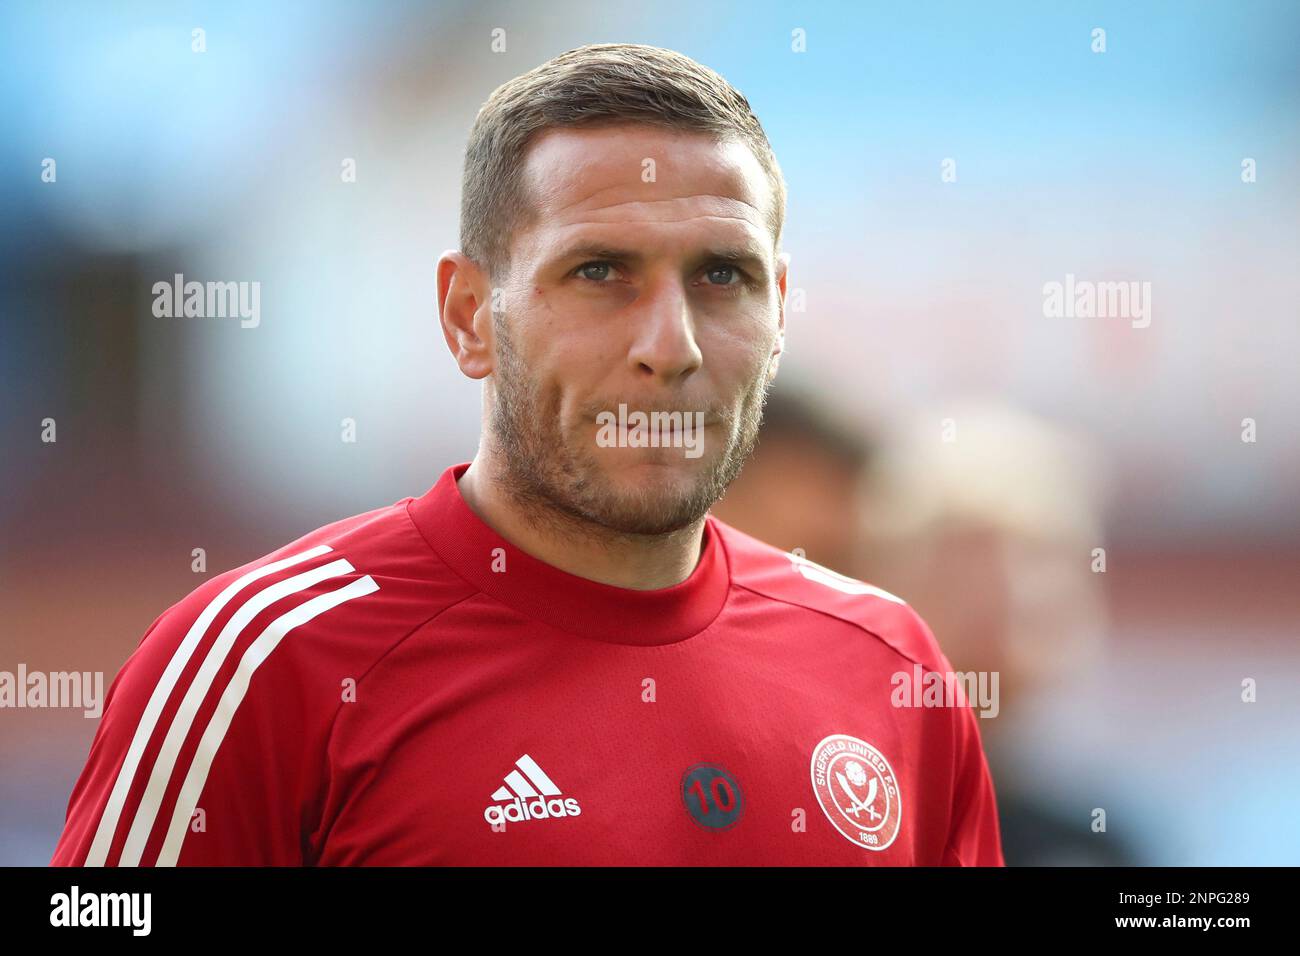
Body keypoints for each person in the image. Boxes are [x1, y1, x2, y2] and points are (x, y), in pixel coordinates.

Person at [51, 43, 1002, 866]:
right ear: (470, 317)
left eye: (723, 276)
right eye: (599, 273)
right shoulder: (260, 664)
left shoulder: (888, 663)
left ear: (781, 311)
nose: (672, 346)